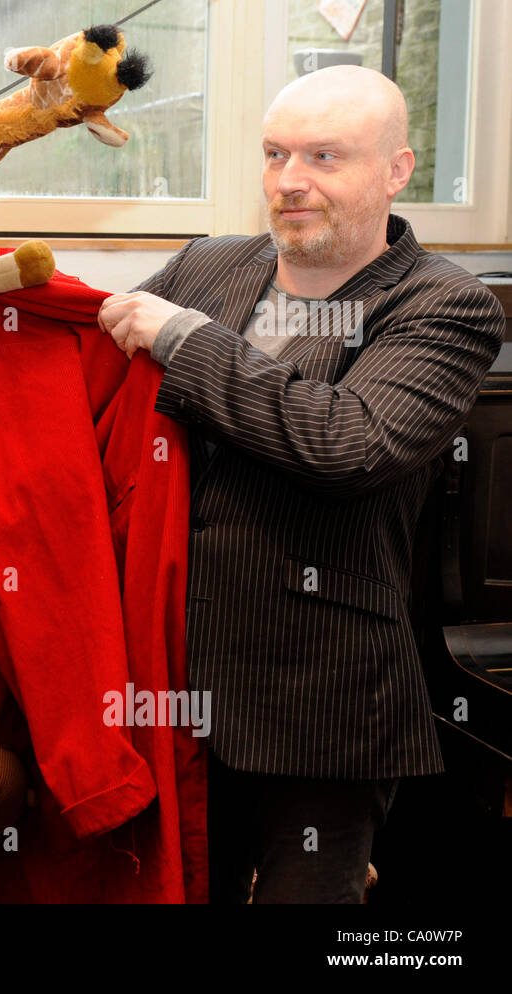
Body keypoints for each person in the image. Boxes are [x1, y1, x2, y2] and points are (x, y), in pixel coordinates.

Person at [96, 65, 504, 903]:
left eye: (324, 156)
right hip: (162, 686)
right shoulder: (207, 266)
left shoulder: (445, 305)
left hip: (318, 704)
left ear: (398, 169)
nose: (290, 182)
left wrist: (185, 339)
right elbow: (85, 383)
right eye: (275, 154)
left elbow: (348, 444)